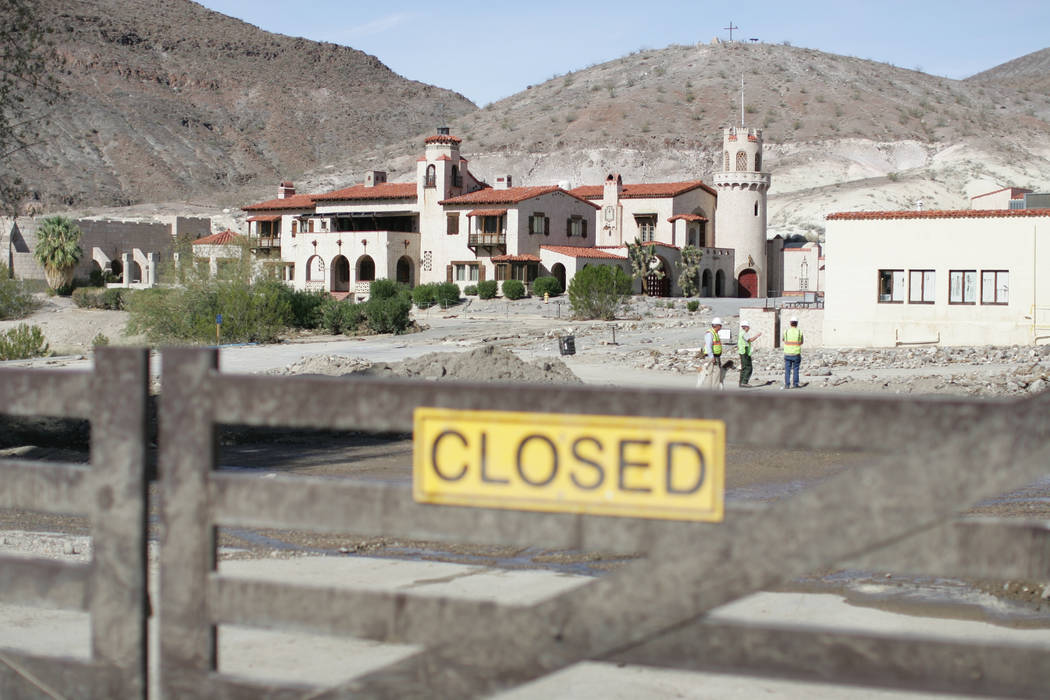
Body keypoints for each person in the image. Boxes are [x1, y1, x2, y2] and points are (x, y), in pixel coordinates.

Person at [737, 320, 762, 387]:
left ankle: (741, 382)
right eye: (748, 327)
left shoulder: (741, 333)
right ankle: (744, 382)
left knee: (744, 367)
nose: (749, 328)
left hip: (743, 351)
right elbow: (750, 340)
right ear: (745, 327)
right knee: (748, 367)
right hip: (744, 352)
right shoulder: (744, 333)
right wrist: (757, 335)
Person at [782, 316, 804, 389]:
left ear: (790, 323)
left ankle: (787, 385)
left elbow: (783, 339)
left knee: (787, 370)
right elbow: (801, 342)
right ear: (797, 323)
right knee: (796, 369)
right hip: (796, 353)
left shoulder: (786, 331)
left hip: (787, 353)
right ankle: (795, 384)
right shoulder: (799, 332)